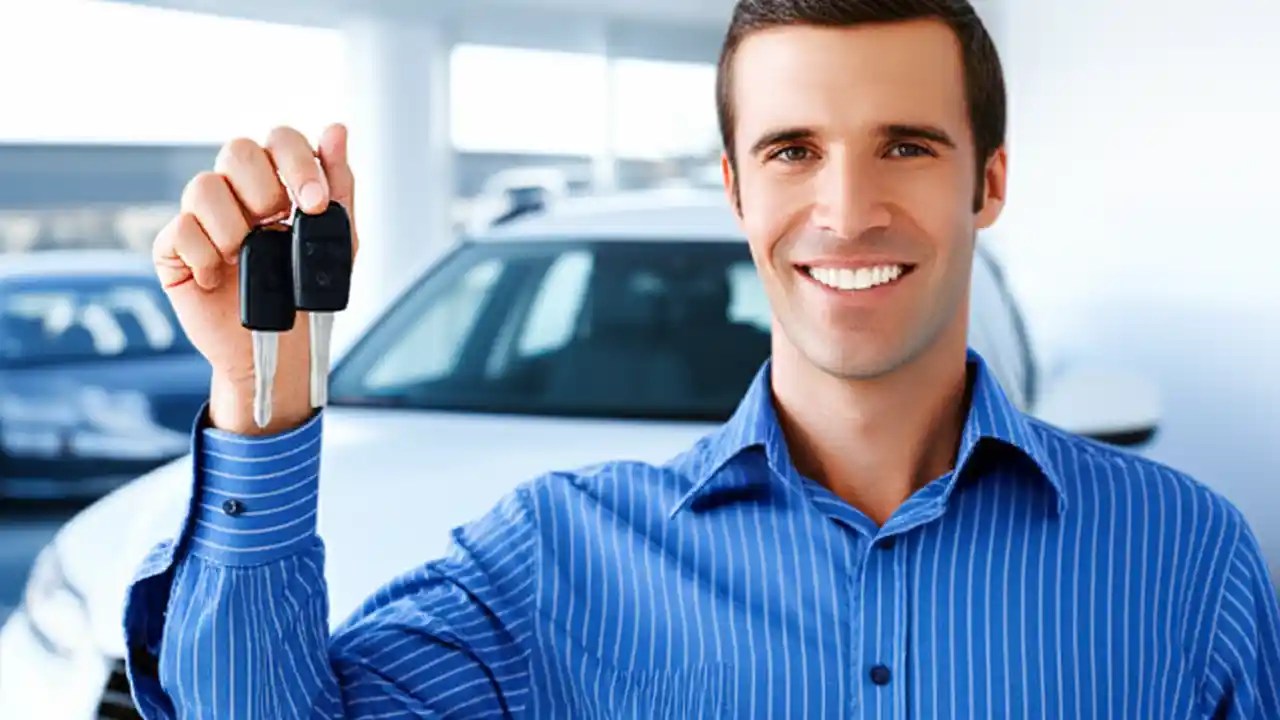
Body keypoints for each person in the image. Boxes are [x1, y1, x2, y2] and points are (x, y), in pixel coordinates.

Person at [124, 0, 1280, 717]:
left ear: (987, 181)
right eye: (791, 150)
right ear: (734, 188)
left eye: (904, 146)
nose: (846, 211)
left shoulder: (1184, 559)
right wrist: (261, 392)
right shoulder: (556, 559)